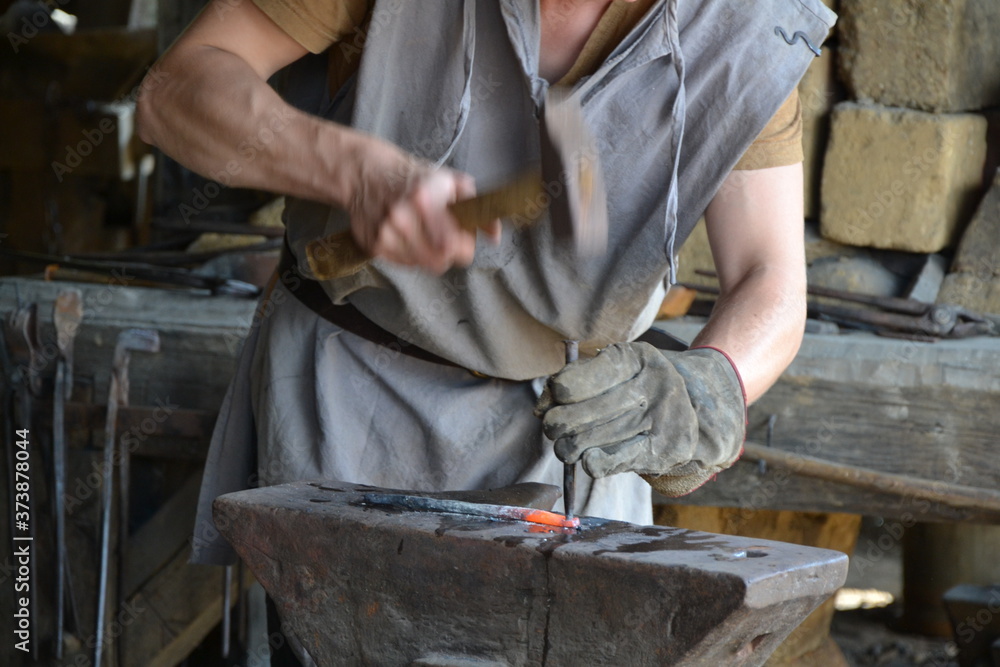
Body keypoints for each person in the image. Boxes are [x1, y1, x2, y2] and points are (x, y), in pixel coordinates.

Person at [138, 0, 834, 660]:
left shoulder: (737, 23)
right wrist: (349, 169)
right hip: (354, 410)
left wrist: (709, 380)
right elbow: (177, 90)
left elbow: (769, 279)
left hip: (578, 437)